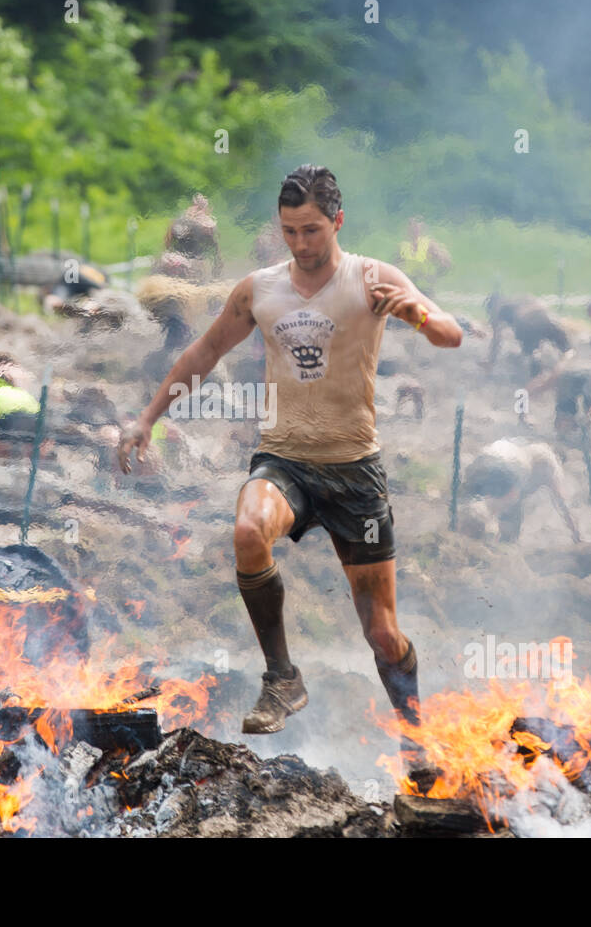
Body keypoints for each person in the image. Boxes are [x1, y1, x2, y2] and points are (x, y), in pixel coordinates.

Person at [118, 164, 463, 787]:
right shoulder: (260, 289)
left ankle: (417, 740)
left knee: (382, 634)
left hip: (354, 470)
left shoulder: (374, 277)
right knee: (249, 530)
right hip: (284, 458)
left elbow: (450, 333)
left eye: (311, 231)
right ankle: (281, 678)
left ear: (337, 221)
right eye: (289, 232)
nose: (300, 245)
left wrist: (411, 308)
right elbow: (204, 351)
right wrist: (147, 418)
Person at [462, 438, 580, 542]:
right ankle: (478, 535)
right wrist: (574, 531)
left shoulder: (531, 452)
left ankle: (474, 536)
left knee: (486, 504)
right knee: (495, 508)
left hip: (491, 459)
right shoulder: (550, 464)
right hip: (506, 469)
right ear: (560, 459)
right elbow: (560, 501)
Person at [483, 293, 571, 368]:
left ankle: (538, 368)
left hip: (530, 326)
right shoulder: (520, 299)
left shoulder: (501, 310)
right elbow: (542, 307)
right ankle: (565, 363)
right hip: (546, 321)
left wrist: (491, 360)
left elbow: (496, 338)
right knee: (566, 349)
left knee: (532, 354)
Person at [155, 193, 222, 283]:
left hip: (176, 261)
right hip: (190, 266)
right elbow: (216, 251)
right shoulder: (208, 225)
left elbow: (167, 244)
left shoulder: (179, 221)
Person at [396, 217, 452, 299]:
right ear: (407, 230)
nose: (413, 229)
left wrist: (434, 276)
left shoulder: (429, 245)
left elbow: (446, 264)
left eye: (416, 226)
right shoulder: (402, 246)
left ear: (422, 229)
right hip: (409, 288)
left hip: (425, 290)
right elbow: (394, 268)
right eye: (411, 226)